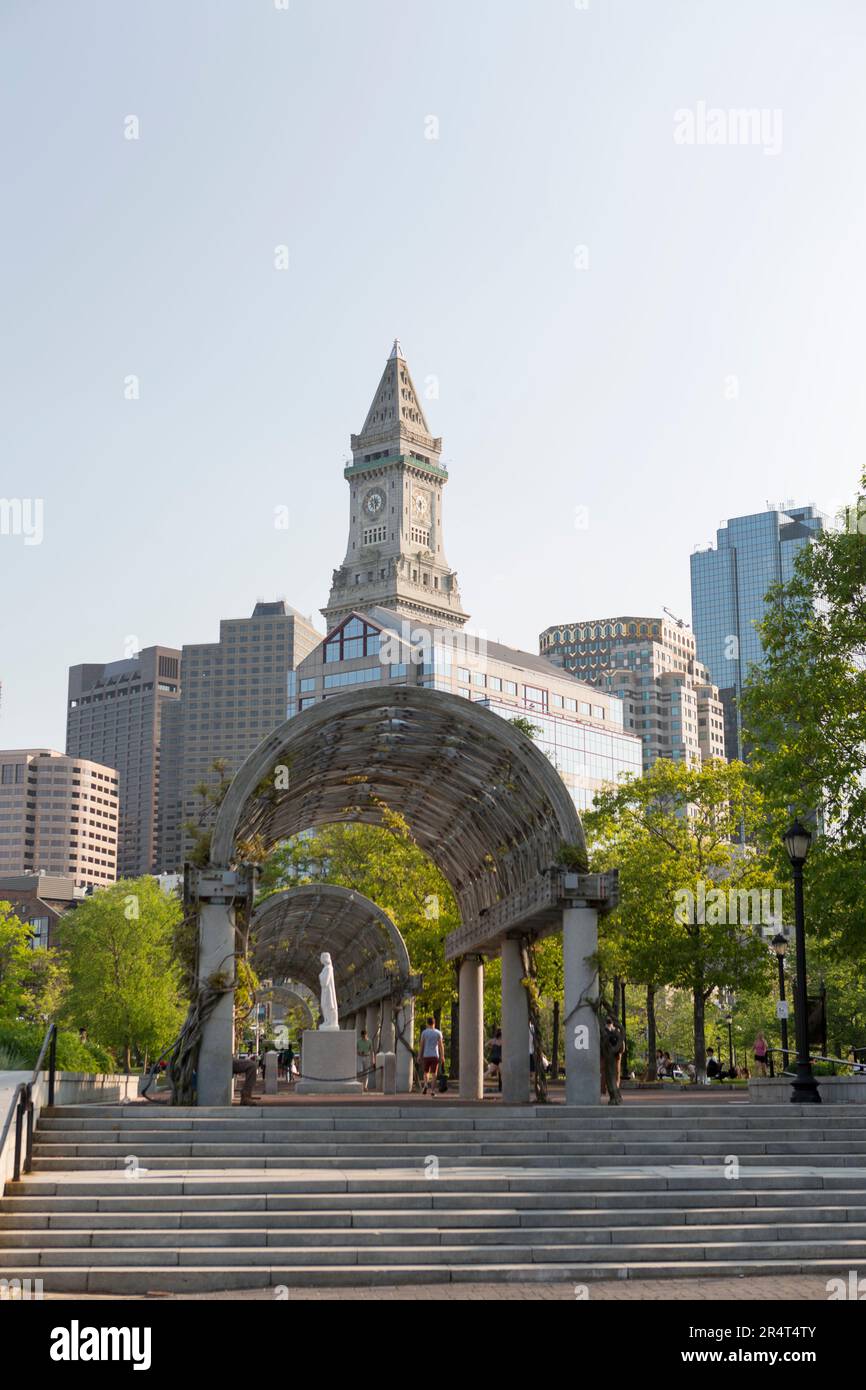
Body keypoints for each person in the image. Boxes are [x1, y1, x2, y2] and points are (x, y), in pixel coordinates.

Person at [419, 1015, 445, 1096]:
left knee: (426, 1072)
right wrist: (442, 1056)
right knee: (434, 1074)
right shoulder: (438, 1033)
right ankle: (433, 1091)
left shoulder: (424, 1032)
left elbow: (422, 1045)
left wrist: (419, 1055)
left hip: (426, 1055)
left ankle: (426, 1084)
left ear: (427, 1023)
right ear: (434, 1023)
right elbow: (441, 1045)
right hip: (435, 1055)